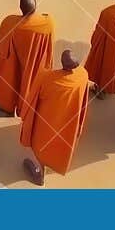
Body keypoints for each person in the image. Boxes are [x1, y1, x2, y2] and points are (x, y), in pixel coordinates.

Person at [20, 49, 91, 185]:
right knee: (60, 145)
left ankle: (40, 174)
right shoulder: (83, 75)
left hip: (46, 121)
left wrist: (24, 114)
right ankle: (55, 164)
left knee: (42, 145)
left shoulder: (46, 77)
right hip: (68, 121)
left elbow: (31, 100)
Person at [0, 0, 55, 117]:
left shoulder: (9, 23)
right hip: (35, 63)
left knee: (9, 80)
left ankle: (7, 106)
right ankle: (28, 107)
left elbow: (0, 48)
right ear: (35, 6)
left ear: (20, 7)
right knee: (31, 83)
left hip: (14, 63)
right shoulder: (48, 22)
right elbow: (49, 47)